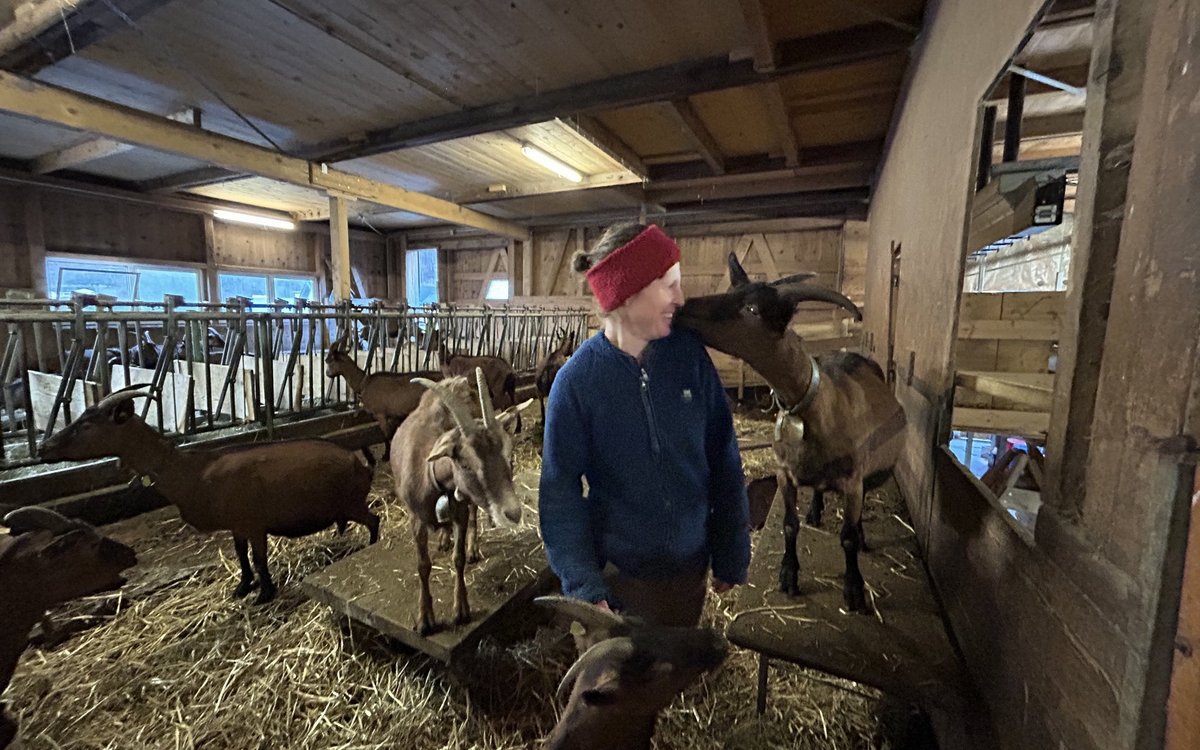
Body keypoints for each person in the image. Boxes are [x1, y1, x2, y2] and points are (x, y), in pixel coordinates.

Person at [538, 222, 751, 628]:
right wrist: (585, 587)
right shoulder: (577, 383)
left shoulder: (689, 359)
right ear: (628, 292)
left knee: (677, 665)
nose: (680, 298)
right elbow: (559, 493)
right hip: (621, 582)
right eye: (668, 286)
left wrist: (731, 550)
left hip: (692, 569)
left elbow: (724, 459)